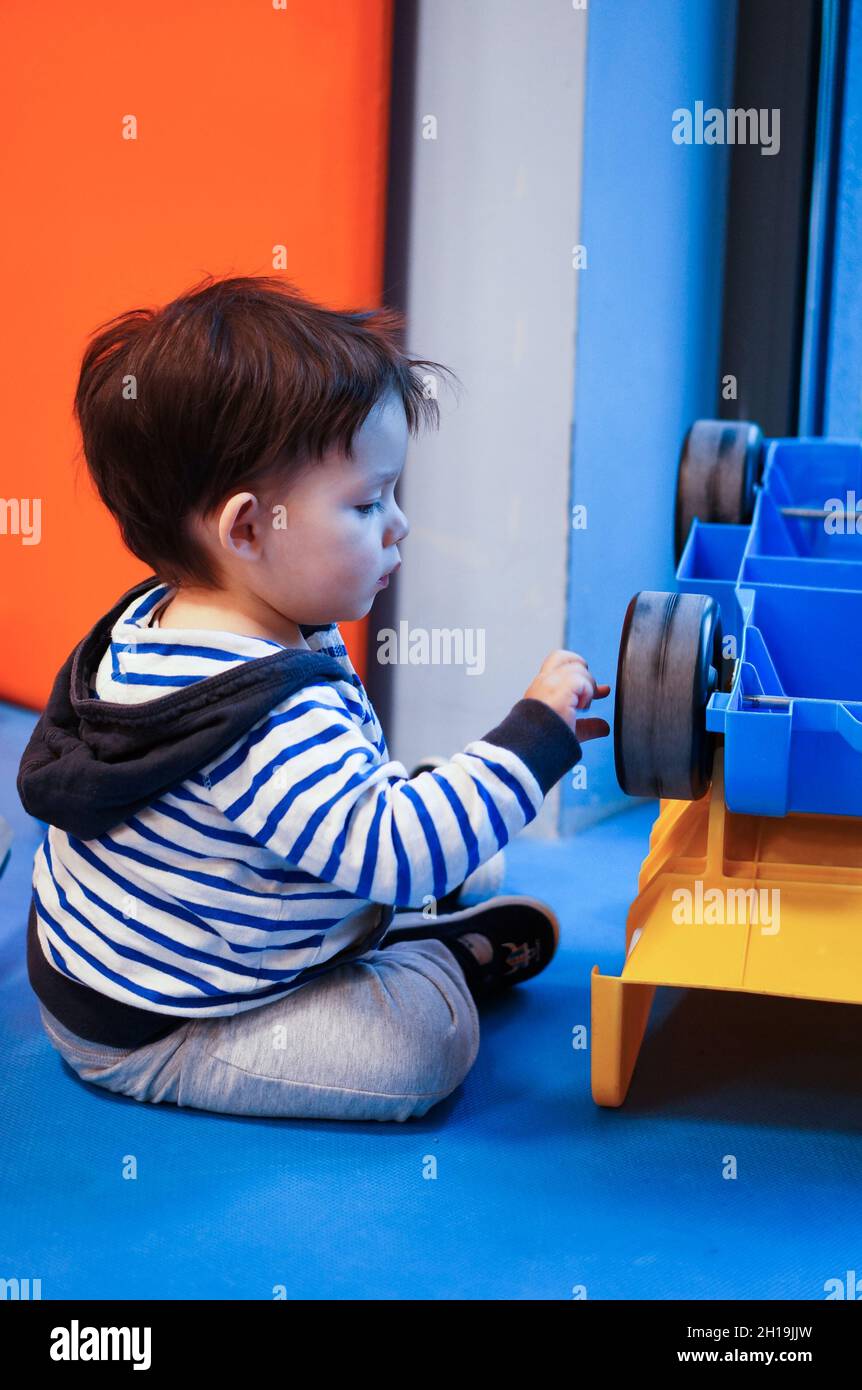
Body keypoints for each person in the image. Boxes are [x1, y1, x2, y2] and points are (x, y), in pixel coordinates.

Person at [18, 274, 609, 1122]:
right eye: (368, 503)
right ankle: (428, 959)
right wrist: (536, 738)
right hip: (165, 1021)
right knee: (426, 1043)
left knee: (452, 843)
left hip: (160, 930)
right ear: (250, 530)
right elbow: (384, 842)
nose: (398, 523)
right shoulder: (254, 716)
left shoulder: (172, 616)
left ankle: (404, 882)